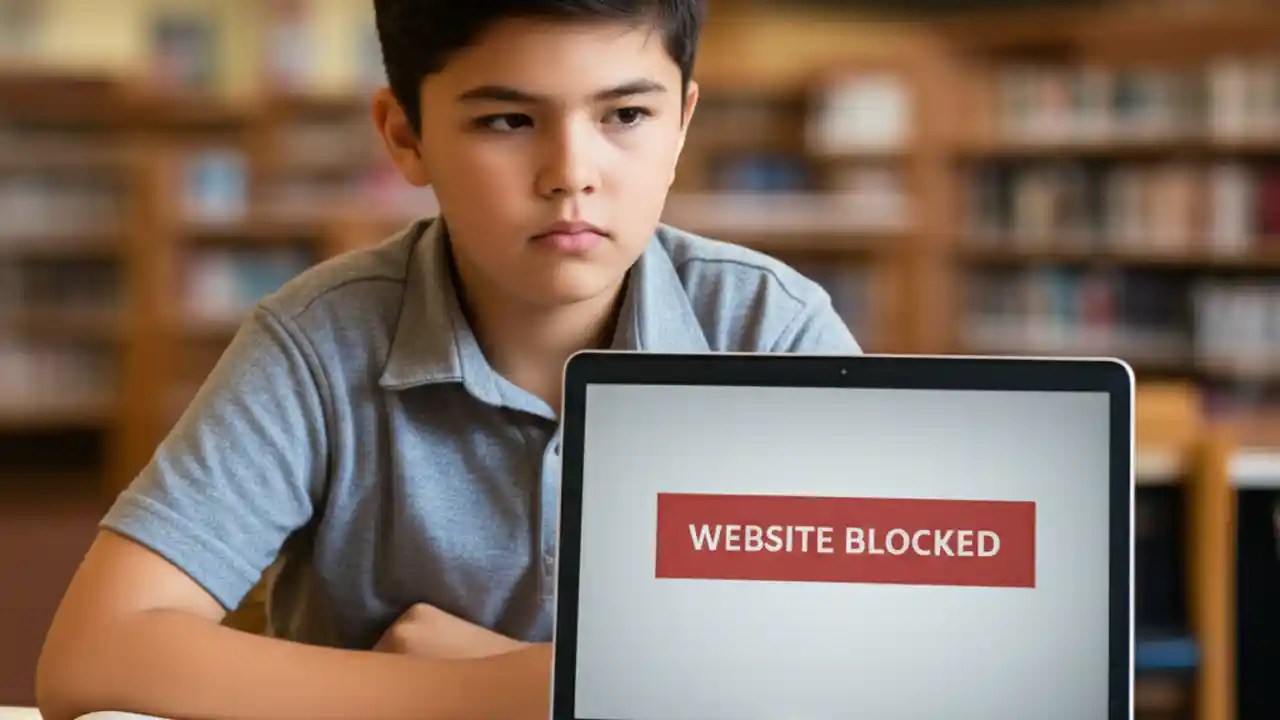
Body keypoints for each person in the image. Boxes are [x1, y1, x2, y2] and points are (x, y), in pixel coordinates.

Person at [35, 1, 861, 718]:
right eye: (507, 120)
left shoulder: (768, 330)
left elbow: (871, 670)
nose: (571, 175)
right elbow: (93, 658)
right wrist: (511, 694)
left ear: (681, 123)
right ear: (406, 136)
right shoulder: (318, 342)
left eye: (625, 117)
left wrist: (514, 675)